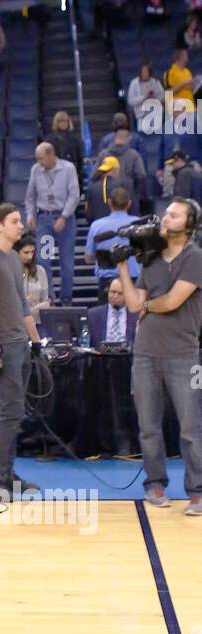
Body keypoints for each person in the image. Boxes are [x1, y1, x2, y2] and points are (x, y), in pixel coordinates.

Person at [117, 198, 202, 514]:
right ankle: (155, 483)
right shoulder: (150, 260)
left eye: (174, 214)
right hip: (145, 354)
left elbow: (169, 302)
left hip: (185, 355)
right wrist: (123, 267)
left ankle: (197, 491)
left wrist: (148, 306)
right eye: (166, 213)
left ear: (190, 225)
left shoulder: (196, 258)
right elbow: (133, 304)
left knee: (191, 428)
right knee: (148, 425)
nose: (166, 218)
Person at [0, 203, 41, 502]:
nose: (20, 226)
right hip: (2, 345)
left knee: (16, 413)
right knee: (10, 412)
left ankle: (8, 475)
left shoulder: (14, 259)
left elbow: (23, 306)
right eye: (14, 221)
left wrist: (36, 341)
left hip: (19, 344)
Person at [25, 141, 80, 303]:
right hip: (45, 220)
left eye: (41, 158)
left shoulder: (68, 168)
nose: (39, 162)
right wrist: (30, 215)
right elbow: (30, 197)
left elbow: (74, 195)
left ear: (51, 154)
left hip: (66, 220)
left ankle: (66, 298)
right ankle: (49, 297)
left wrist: (64, 216)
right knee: (44, 259)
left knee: (66, 262)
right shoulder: (36, 170)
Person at [84, 184, 140, 300]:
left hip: (107, 283)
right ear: (129, 203)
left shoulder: (96, 226)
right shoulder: (139, 225)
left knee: (105, 317)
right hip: (134, 281)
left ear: (109, 202)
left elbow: (88, 258)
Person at [87, 277, 138, 349]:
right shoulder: (92, 315)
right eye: (113, 292)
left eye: (120, 293)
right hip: (100, 358)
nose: (115, 296)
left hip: (127, 357)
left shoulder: (136, 315)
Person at [17, 234, 50, 320]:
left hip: (38, 320)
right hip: (19, 322)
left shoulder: (40, 271)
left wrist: (44, 305)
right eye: (26, 252)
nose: (30, 256)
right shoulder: (10, 272)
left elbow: (46, 299)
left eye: (32, 252)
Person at [44, 112, 83, 181]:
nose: (63, 123)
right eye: (60, 121)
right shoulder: (49, 139)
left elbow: (79, 156)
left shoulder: (75, 138)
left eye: (65, 121)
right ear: (56, 122)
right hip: (55, 172)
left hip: (73, 170)